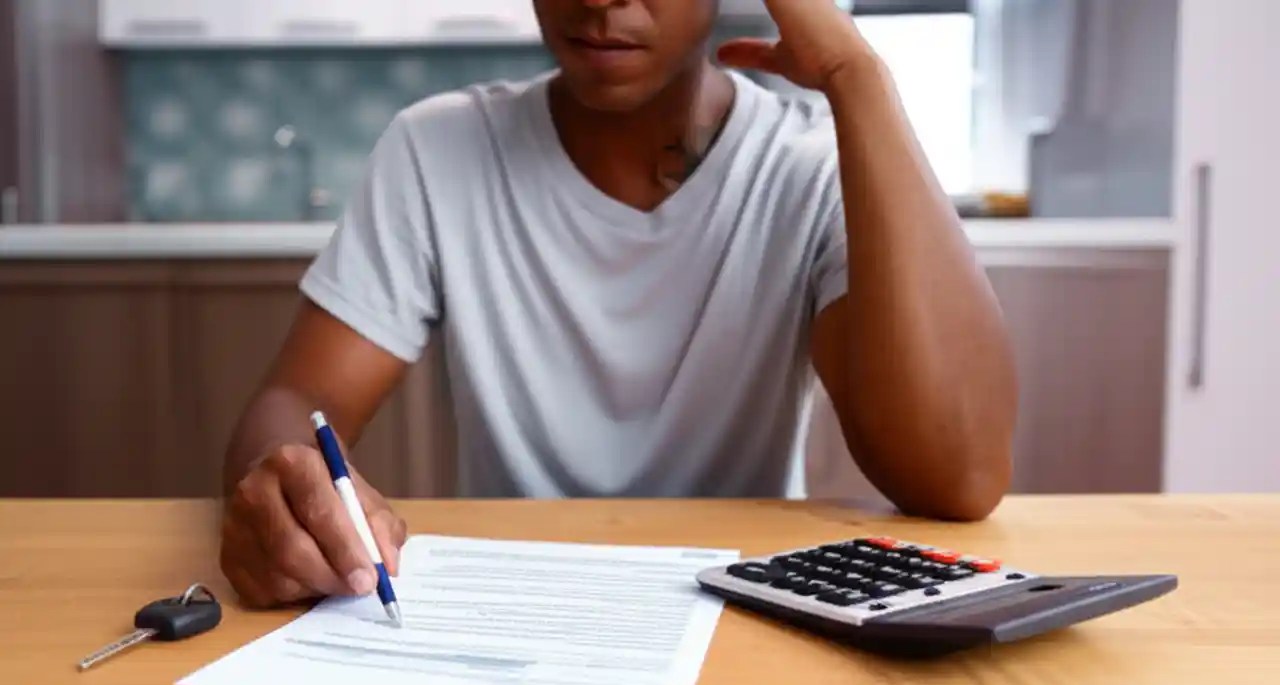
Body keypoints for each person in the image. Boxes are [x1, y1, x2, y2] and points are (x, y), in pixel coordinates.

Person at [219, 0, 1018, 608]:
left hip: (748, 607)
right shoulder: (438, 149)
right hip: (517, 606)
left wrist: (857, 77)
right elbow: (302, 398)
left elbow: (956, 477)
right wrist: (285, 480)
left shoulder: (805, 164)